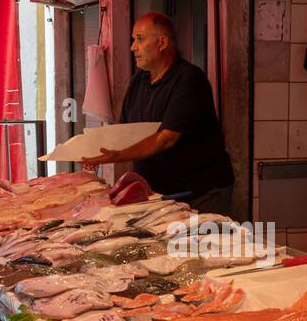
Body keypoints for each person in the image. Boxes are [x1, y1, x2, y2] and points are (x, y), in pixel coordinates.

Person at [80, 12, 233, 214]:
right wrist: (96, 152)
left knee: (200, 246)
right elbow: (124, 131)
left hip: (200, 194)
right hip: (158, 194)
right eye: (134, 39)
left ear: (162, 43)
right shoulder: (139, 81)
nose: (133, 47)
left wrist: (116, 156)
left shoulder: (188, 80)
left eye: (140, 39)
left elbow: (166, 139)